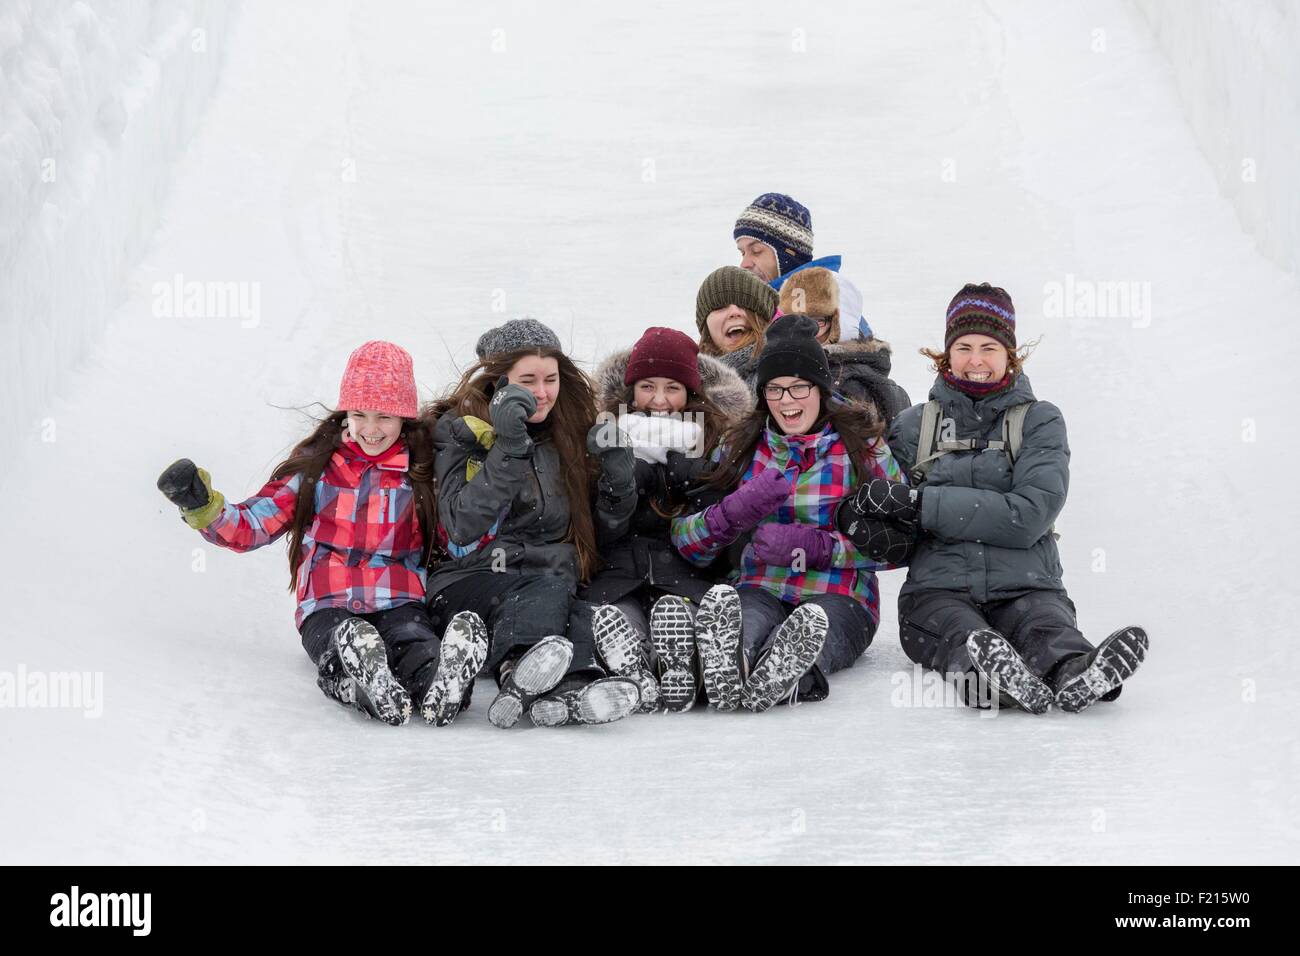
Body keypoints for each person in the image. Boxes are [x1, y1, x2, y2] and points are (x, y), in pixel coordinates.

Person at [838, 284, 1149, 714]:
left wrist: (921, 504)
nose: (976, 360)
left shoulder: (1040, 421)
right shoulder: (913, 428)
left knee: (1045, 628)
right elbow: (894, 523)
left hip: (1028, 585)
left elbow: (1029, 515)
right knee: (965, 638)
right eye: (963, 347)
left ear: (1011, 354)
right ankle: (991, 678)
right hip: (936, 592)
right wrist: (868, 519)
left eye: (989, 347)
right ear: (947, 354)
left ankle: (1079, 672)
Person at [155, 341, 488, 727]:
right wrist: (205, 508)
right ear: (345, 412)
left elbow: (463, 539)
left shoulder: (421, 474)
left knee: (415, 642)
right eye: (359, 414)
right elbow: (254, 525)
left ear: (404, 418)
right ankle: (362, 683)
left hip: (399, 598)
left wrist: (479, 485)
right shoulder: (318, 470)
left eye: (384, 416)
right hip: (329, 603)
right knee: (341, 645)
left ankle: (443, 682)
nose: (371, 428)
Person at [672, 316, 906, 711]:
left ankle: (787, 670)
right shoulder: (739, 446)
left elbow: (899, 543)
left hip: (840, 595)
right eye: (775, 389)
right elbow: (686, 542)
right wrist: (729, 515)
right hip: (758, 585)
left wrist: (822, 548)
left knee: (813, 627)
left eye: (799, 387)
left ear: (822, 389)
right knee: (746, 622)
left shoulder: (864, 448)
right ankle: (731, 662)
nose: (786, 400)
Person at [424, 318, 641, 728]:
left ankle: (570, 690)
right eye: (528, 380)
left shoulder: (570, 433)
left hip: (551, 582)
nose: (542, 393)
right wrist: (508, 448)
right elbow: (460, 525)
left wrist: (618, 479)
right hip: (469, 581)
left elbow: (601, 533)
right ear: (498, 381)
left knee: (581, 608)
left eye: (551, 379)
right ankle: (519, 668)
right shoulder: (459, 431)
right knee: (548, 588)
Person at [583, 326, 751, 712]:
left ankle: (684, 664)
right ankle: (636, 665)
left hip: (685, 572)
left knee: (677, 617)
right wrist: (620, 486)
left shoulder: (714, 440)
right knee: (615, 620)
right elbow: (601, 531)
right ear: (631, 391)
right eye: (647, 386)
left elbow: (721, 532)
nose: (659, 400)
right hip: (618, 572)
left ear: (690, 394)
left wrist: (694, 481)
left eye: (672, 388)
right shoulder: (605, 437)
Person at [777, 266, 911, 423]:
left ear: (841, 324)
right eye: (790, 321)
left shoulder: (853, 390)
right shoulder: (776, 377)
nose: (802, 332)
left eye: (815, 321)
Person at [694, 265, 779, 388]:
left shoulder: (782, 369)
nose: (734, 312)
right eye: (720, 307)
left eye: (745, 305)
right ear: (705, 324)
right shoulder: (688, 380)